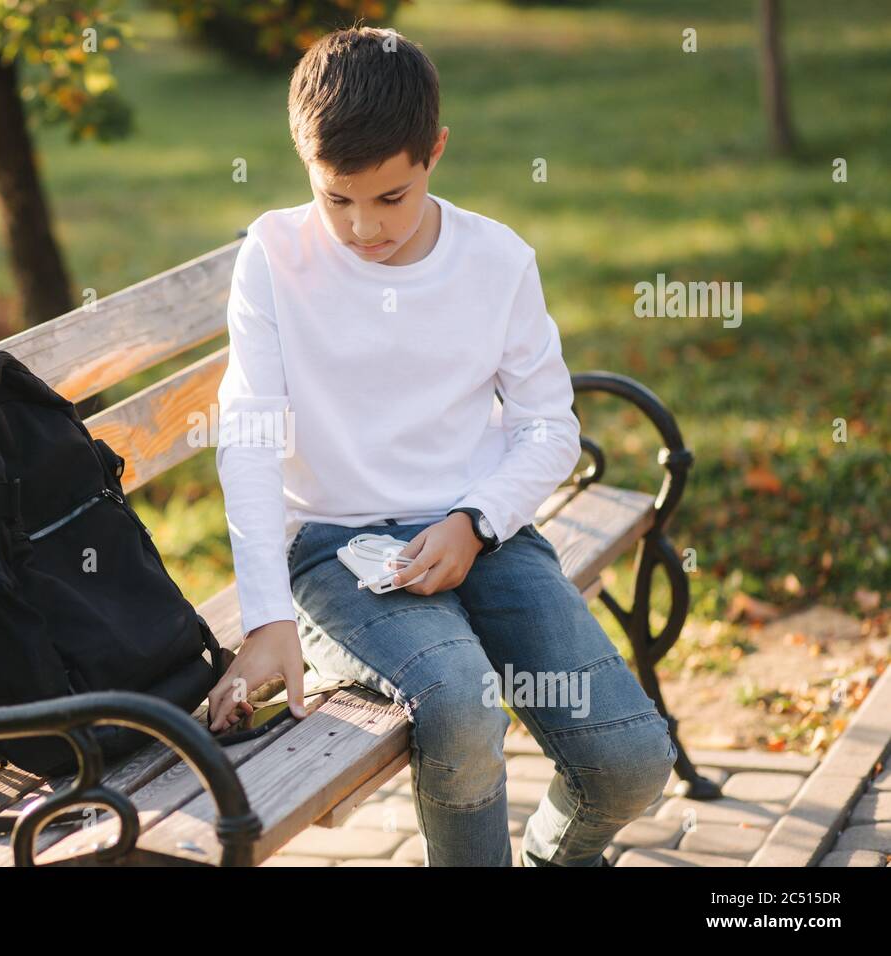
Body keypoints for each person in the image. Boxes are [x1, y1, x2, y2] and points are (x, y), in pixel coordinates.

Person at [205, 25, 677, 867]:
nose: (360, 228)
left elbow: (547, 425)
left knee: (633, 765)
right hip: (334, 549)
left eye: (390, 197)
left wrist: (476, 521)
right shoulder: (274, 256)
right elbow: (245, 438)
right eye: (335, 198)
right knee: (460, 705)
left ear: (436, 152)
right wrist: (267, 616)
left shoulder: (495, 260)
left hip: (482, 532)